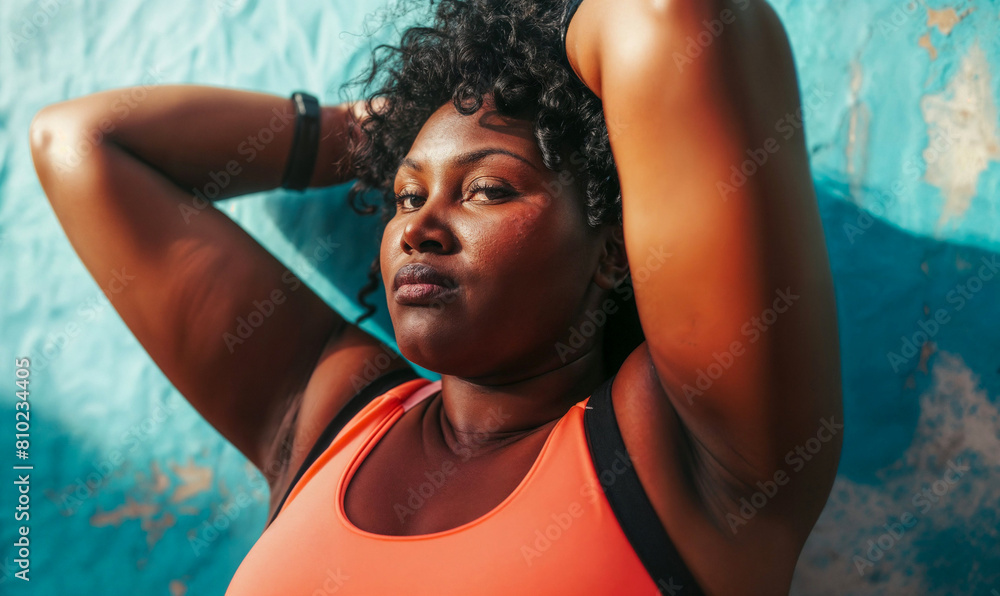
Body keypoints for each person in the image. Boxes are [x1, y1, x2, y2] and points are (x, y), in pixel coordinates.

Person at [29, 0, 842, 593]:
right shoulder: (329, 423)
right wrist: (373, 130)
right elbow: (79, 144)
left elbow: (671, 21)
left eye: (487, 190)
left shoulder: (691, 456)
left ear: (611, 255)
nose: (419, 228)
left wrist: (513, 52)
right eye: (405, 196)